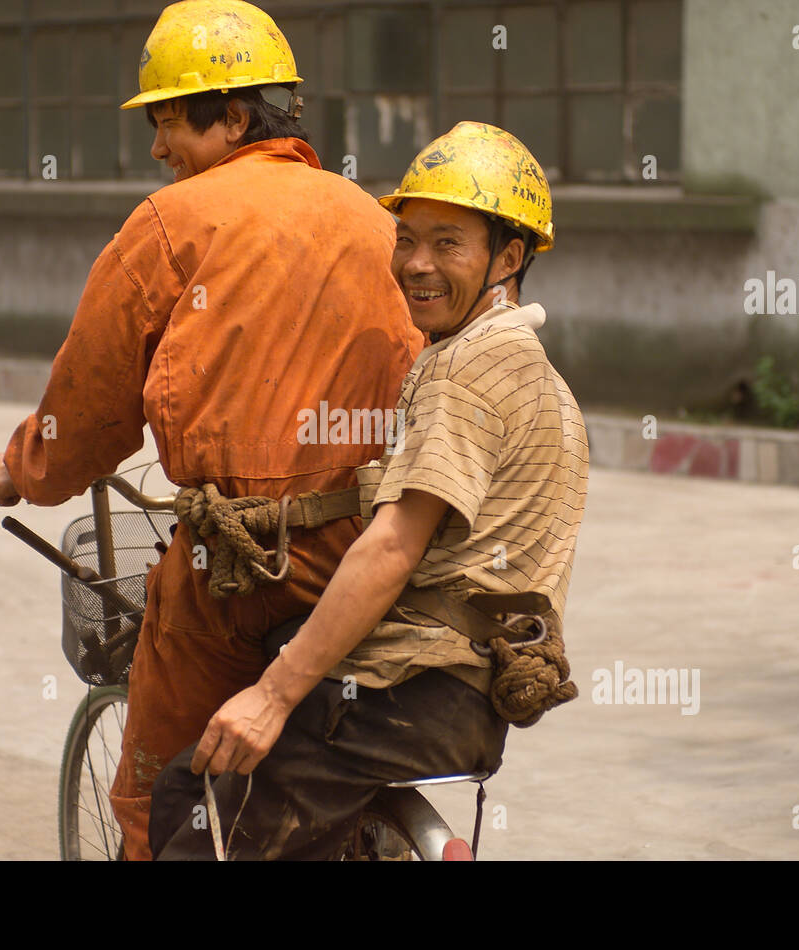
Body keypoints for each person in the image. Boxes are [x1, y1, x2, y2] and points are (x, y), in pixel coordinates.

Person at [0, 0, 421, 860]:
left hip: (227, 574)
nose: (156, 148)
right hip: (362, 562)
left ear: (232, 116)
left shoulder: (169, 225)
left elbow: (89, 412)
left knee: (162, 801)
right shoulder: (378, 222)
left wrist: (21, 470)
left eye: (169, 122)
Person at [149, 121, 591, 860]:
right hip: (473, 689)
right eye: (407, 239)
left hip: (419, 691)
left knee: (189, 792)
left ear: (507, 258)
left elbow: (392, 545)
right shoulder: (532, 370)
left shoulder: (465, 373)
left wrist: (273, 698)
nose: (416, 264)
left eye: (447, 244)